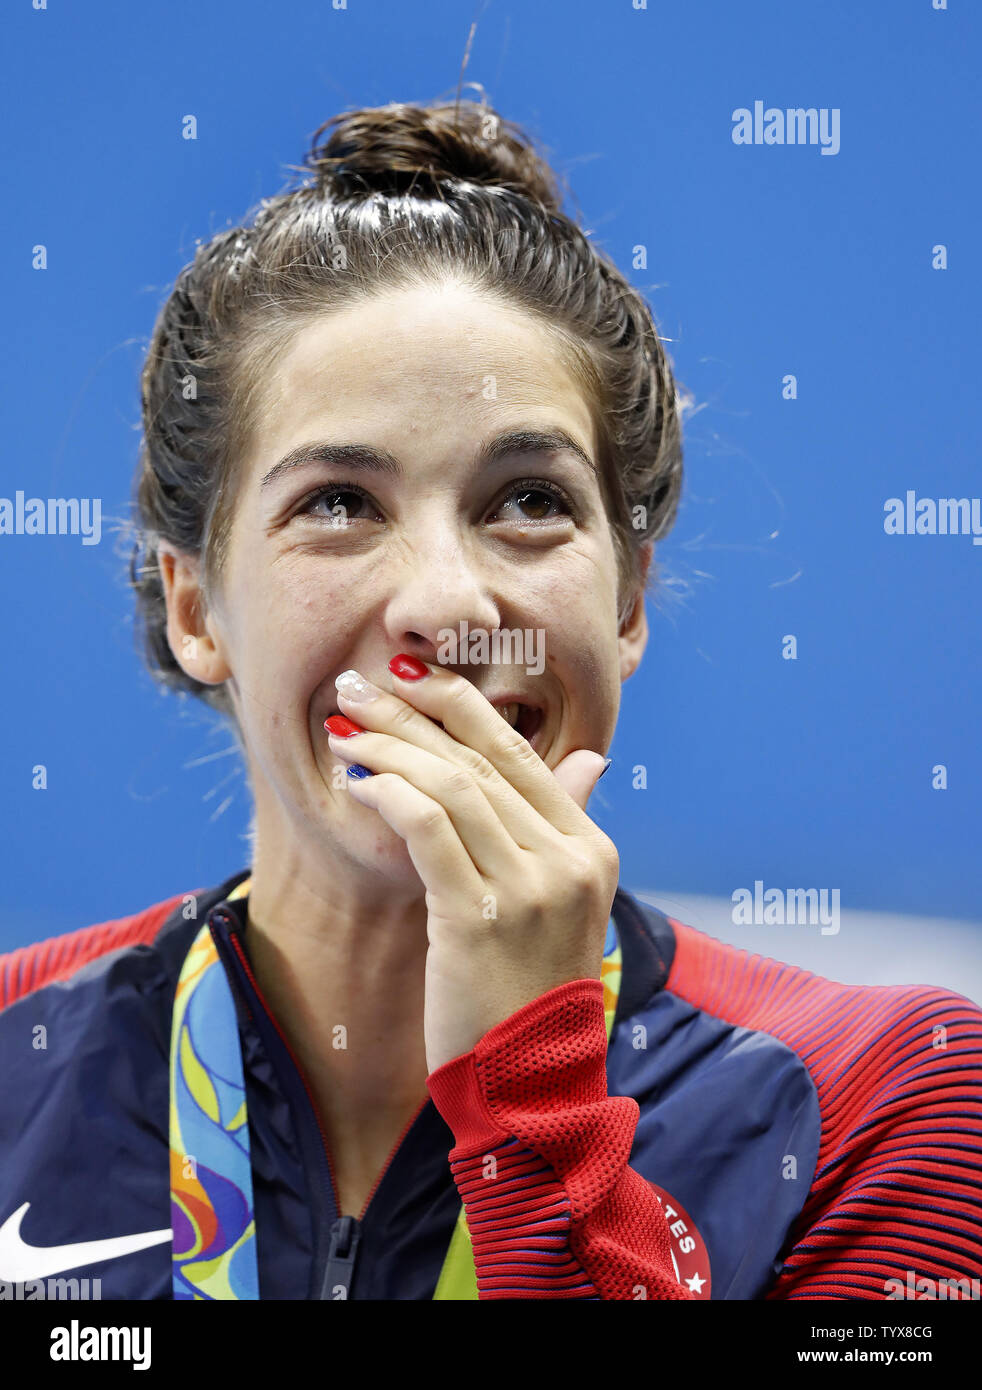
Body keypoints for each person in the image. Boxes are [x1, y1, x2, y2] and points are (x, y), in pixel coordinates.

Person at [1, 98, 980, 1303]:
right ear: (197, 608)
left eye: (526, 500)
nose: (446, 604)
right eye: (340, 504)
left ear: (626, 603)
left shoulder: (880, 1099)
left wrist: (538, 1101)